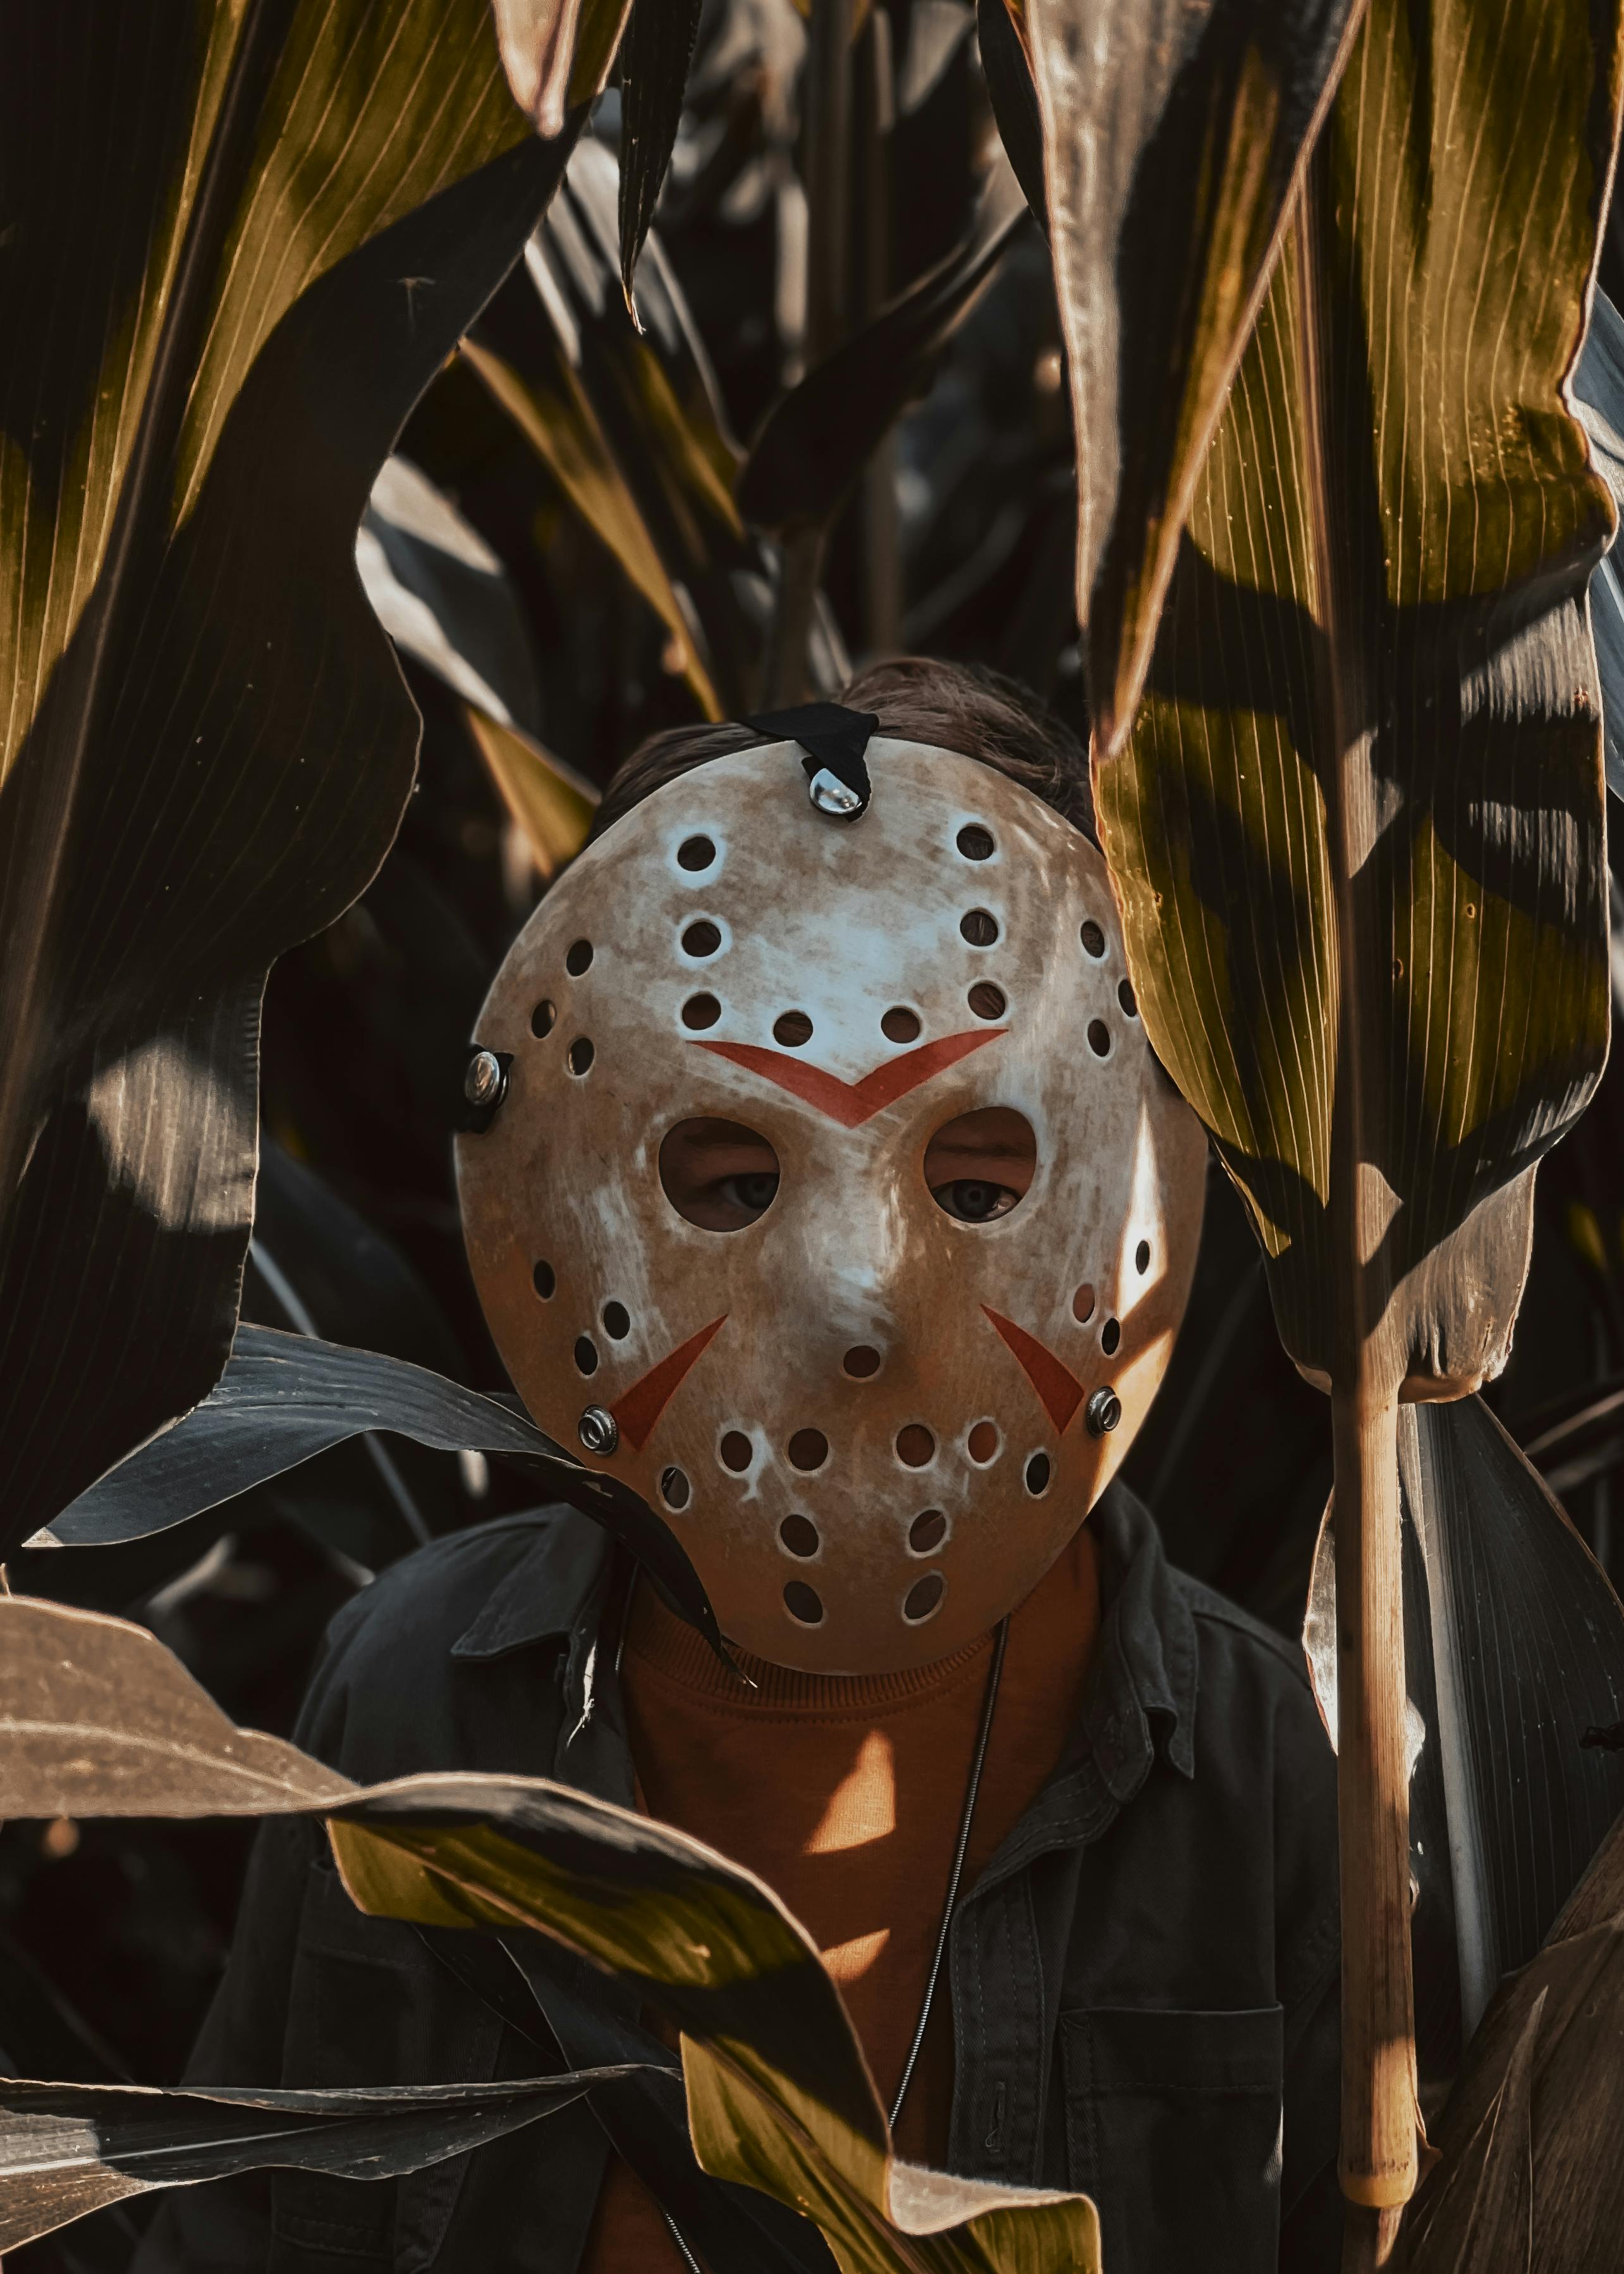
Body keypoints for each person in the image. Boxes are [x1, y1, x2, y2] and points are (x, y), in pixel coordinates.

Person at [137, 657, 1341, 2274]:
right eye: (726, 1176)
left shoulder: (1263, 1770)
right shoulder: (421, 1701)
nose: (858, 1293)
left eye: (982, 1174)